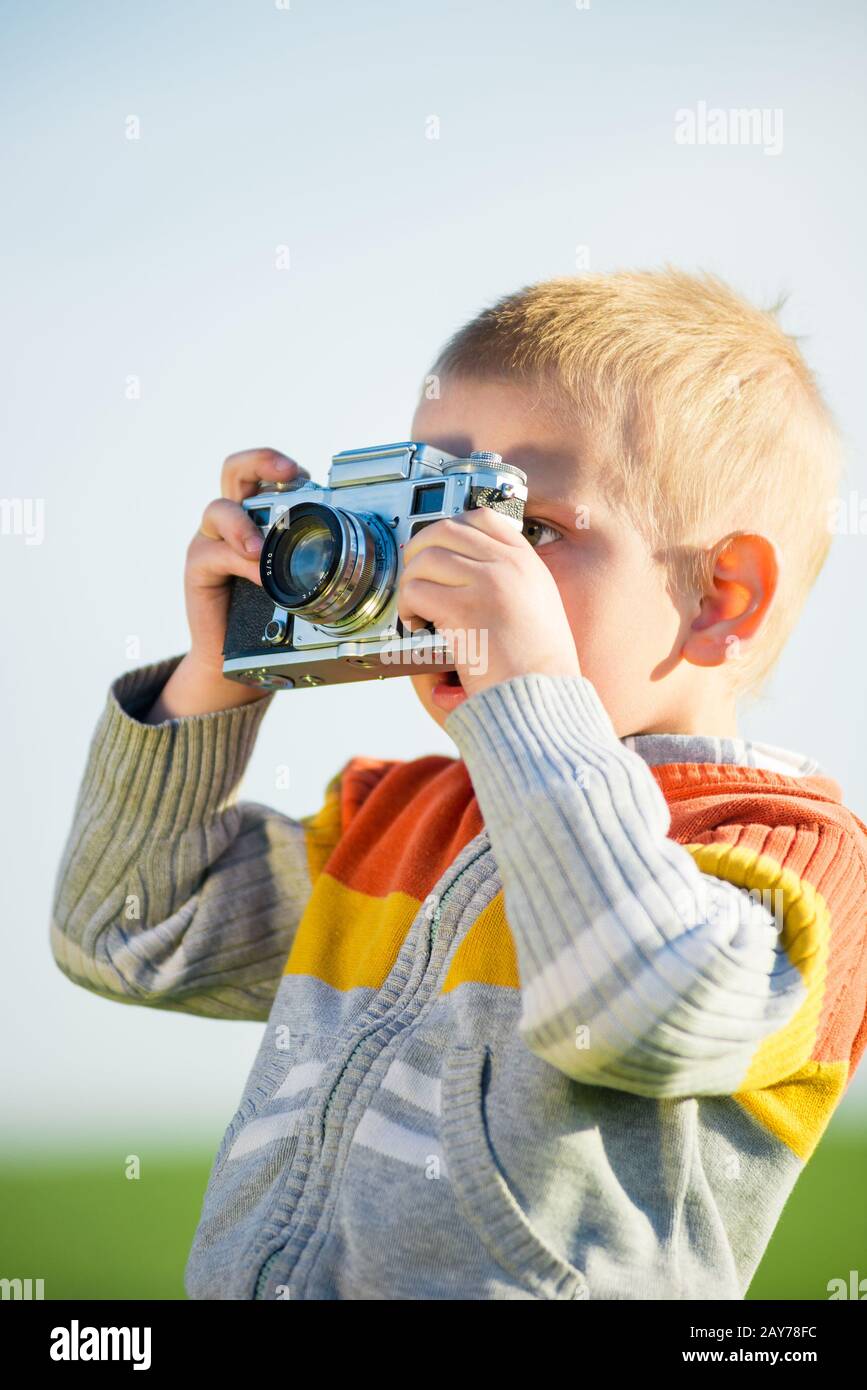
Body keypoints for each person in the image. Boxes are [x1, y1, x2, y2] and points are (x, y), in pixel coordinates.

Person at [51, 269, 867, 1300]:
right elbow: (124, 930)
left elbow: (637, 1006)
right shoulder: (393, 825)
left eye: (521, 527)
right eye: (423, 512)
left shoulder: (788, 854)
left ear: (721, 595)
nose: (445, 569)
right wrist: (218, 674)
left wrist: (530, 701)